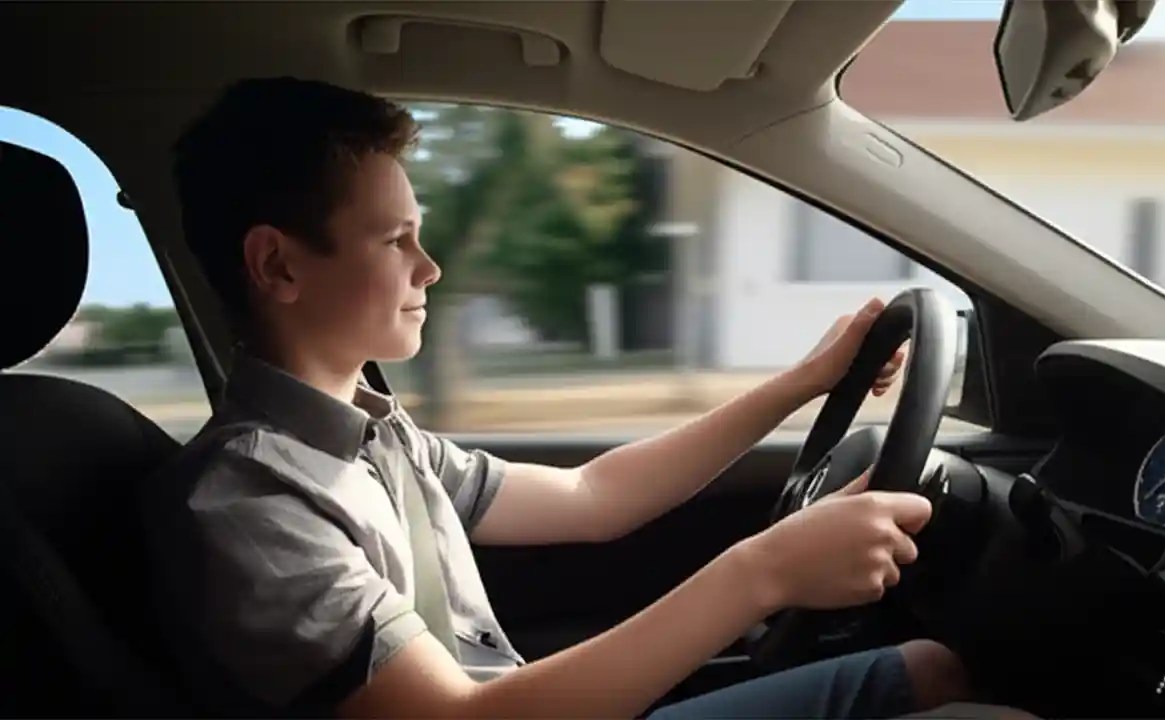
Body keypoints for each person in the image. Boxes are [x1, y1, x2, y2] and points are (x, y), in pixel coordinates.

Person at [138, 76, 973, 719]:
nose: (430, 269)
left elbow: (593, 496)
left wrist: (803, 384)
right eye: (397, 241)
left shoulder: (378, 439)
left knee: (933, 671)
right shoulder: (250, 501)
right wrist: (765, 572)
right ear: (278, 266)